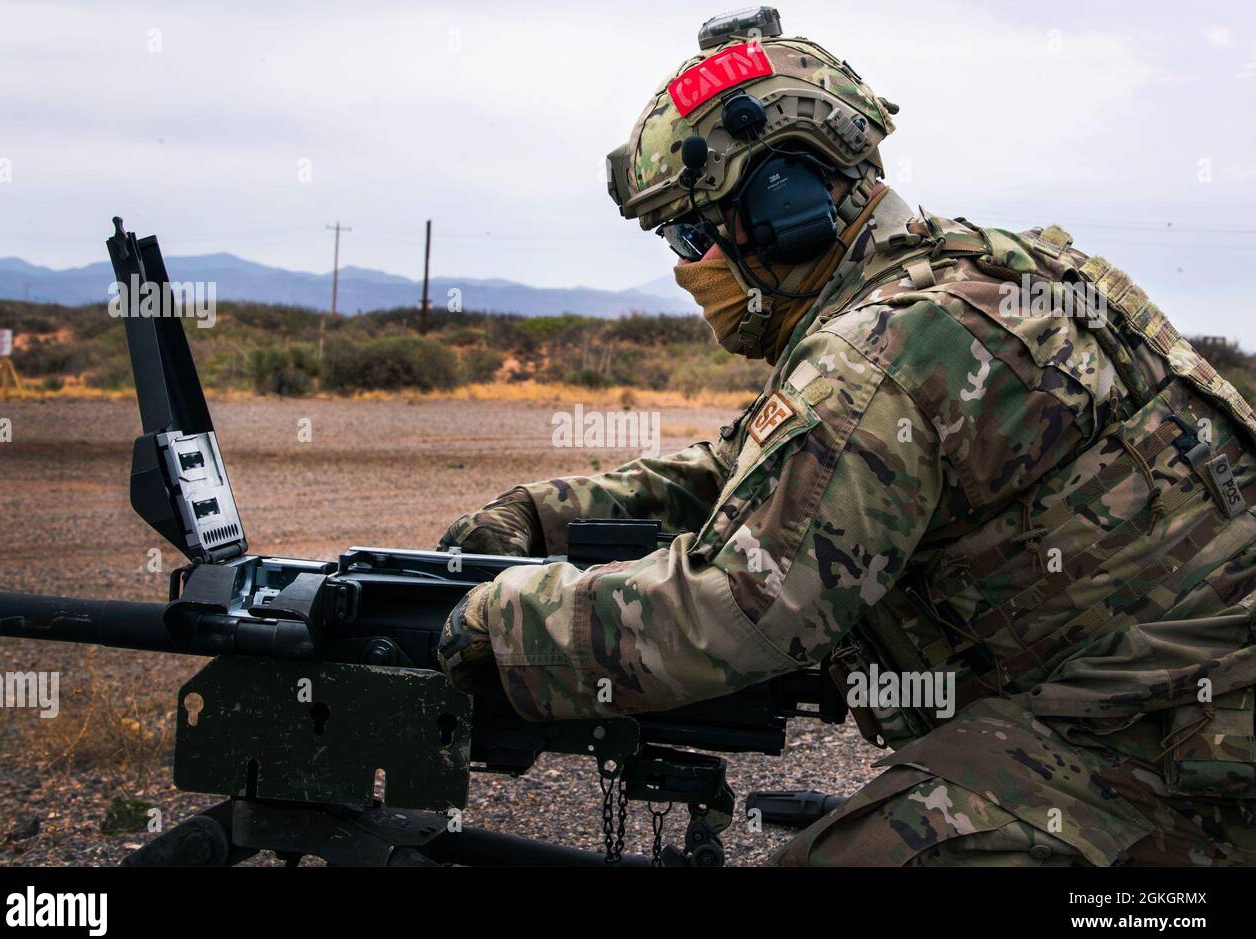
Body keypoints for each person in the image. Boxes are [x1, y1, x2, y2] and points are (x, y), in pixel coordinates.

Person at [436, 8, 1256, 865]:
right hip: (1183, 715)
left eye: (689, 231)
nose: (684, 268)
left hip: (1171, 765)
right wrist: (545, 517)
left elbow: (742, 613)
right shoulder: (999, 273)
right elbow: (762, 467)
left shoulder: (877, 348)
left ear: (780, 203)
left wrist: (501, 622)